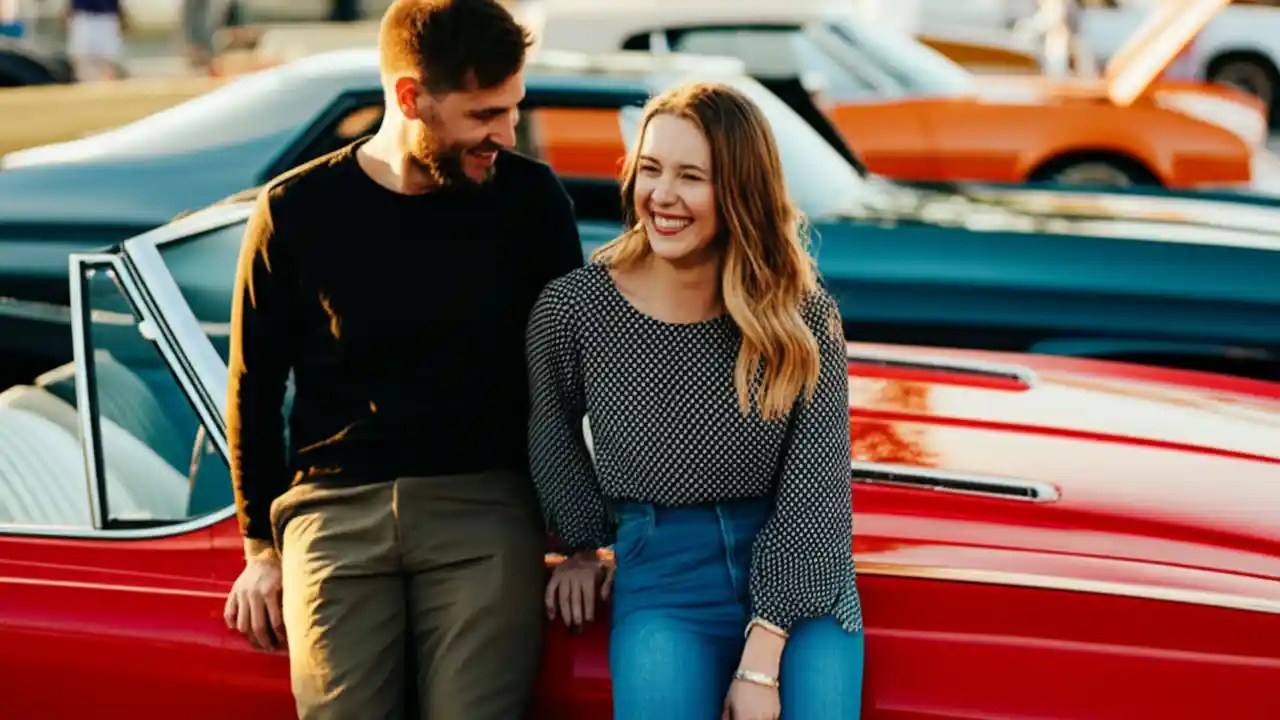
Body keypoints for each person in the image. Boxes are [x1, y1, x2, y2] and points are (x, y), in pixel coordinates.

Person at [222, 0, 583, 717]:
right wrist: (260, 546)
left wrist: (581, 539)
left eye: (513, 109)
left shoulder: (530, 202)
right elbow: (254, 387)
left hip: (483, 510)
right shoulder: (296, 209)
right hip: (333, 515)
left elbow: (567, 381)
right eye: (485, 115)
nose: (507, 134)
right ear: (411, 97)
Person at [527, 82, 865, 720]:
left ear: (740, 191)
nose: (662, 196)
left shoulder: (800, 315)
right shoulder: (575, 308)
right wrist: (579, 545)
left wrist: (762, 664)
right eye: (650, 169)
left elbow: (815, 492)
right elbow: (552, 433)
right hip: (664, 576)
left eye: (692, 177)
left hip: (801, 579)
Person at [65, 0, 125, 81]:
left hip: (107, 16)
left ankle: (106, 88)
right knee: (83, 60)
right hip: (83, 16)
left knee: (106, 61)